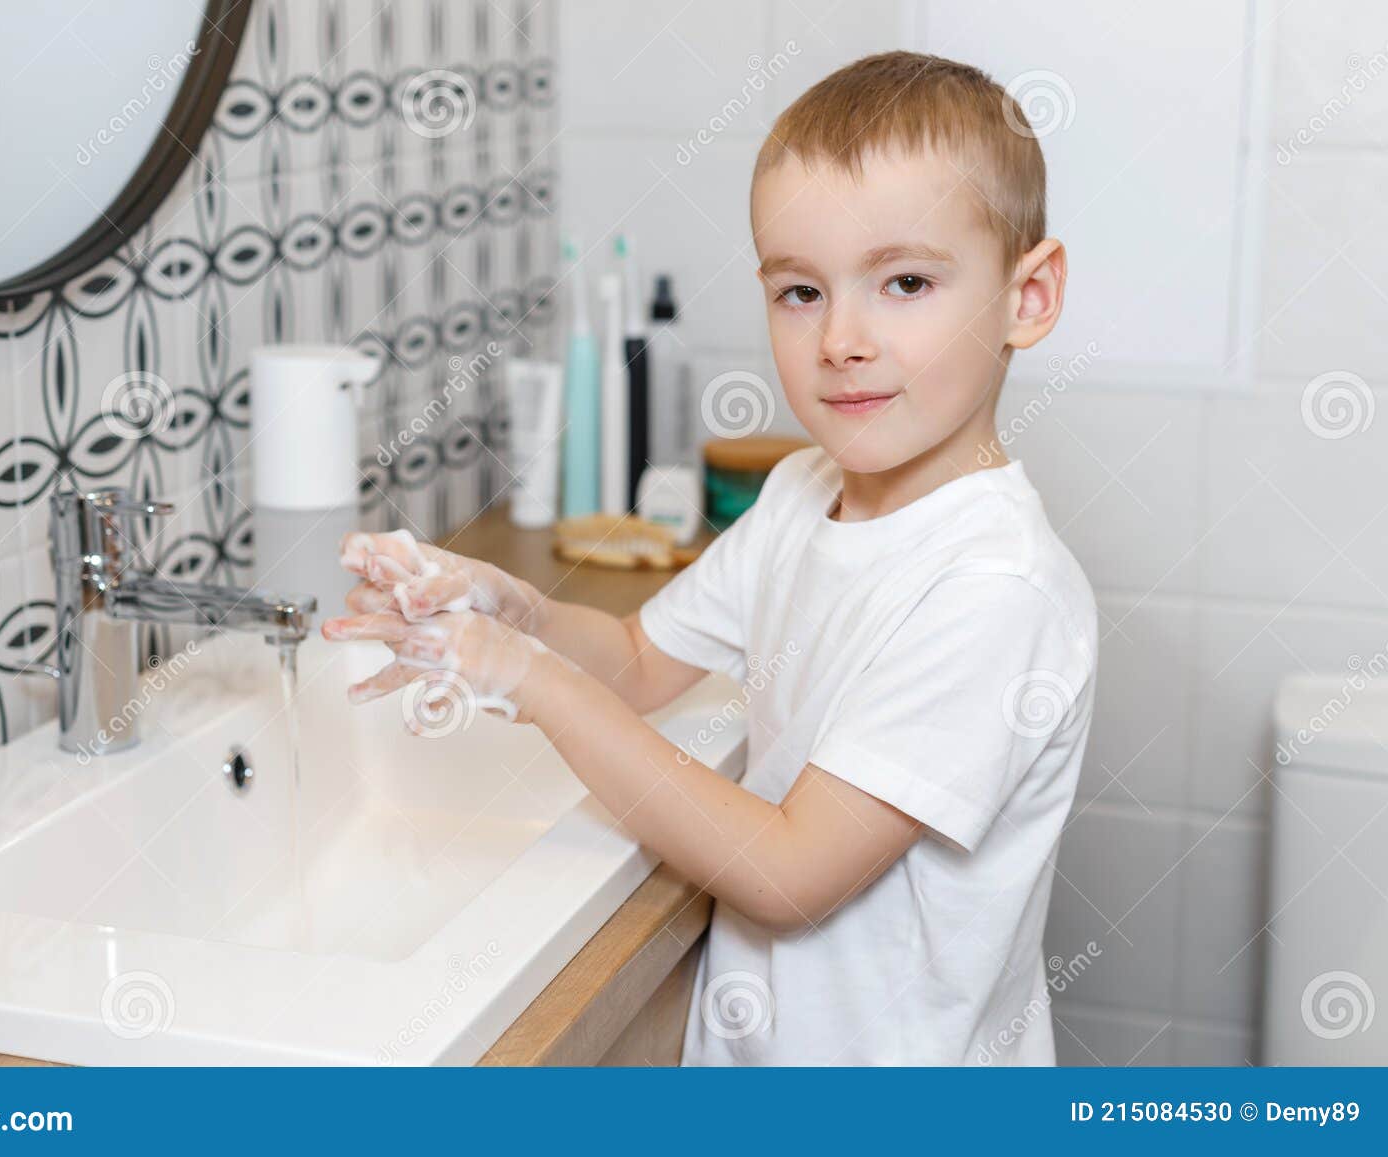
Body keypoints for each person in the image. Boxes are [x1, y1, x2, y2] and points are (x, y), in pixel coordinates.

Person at [322, 50, 1097, 1066]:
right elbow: (641, 659)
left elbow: (789, 871)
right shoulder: (800, 495)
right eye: (799, 291)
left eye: (905, 281)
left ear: (1027, 296)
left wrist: (528, 680)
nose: (842, 339)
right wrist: (513, 611)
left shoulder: (995, 589)